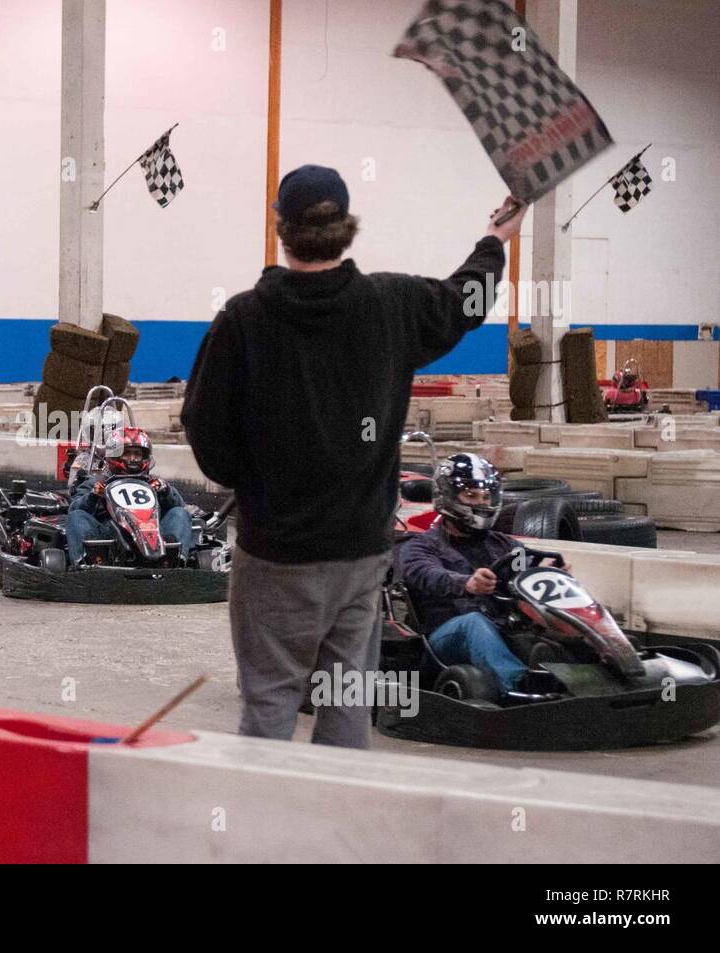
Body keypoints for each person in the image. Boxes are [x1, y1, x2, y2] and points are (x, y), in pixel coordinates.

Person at [181, 163, 526, 747]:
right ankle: (335, 825)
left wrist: (255, 485)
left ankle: (258, 831)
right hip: (360, 551)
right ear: (346, 228)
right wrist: (495, 241)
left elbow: (203, 424)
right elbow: (465, 302)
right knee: (346, 704)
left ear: (282, 230)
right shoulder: (391, 303)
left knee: (270, 700)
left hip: (274, 551)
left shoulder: (243, 317)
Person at [400, 453, 558, 698]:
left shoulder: (503, 545)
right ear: (448, 496)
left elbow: (529, 568)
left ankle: (598, 670)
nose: (482, 503)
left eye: (486, 496)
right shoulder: (421, 546)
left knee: (551, 618)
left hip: (499, 627)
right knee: (474, 623)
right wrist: (467, 583)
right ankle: (518, 685)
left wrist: (551, 574)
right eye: (471, 496)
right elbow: (425, 574)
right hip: (443, 637)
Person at [64, 427, 193, 567]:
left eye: (137, 454)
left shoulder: (154, 482)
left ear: (145, 457)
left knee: (180, 513)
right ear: (115, 455)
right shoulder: (96, 482)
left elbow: (179, 505)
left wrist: (166, 491)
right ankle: (89, 563)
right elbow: (74, 508)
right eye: (127, 453)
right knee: (76, 516)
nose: (132, 459)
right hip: (109, 534)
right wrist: (93, 496)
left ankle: (173, 562)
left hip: (151, 531)